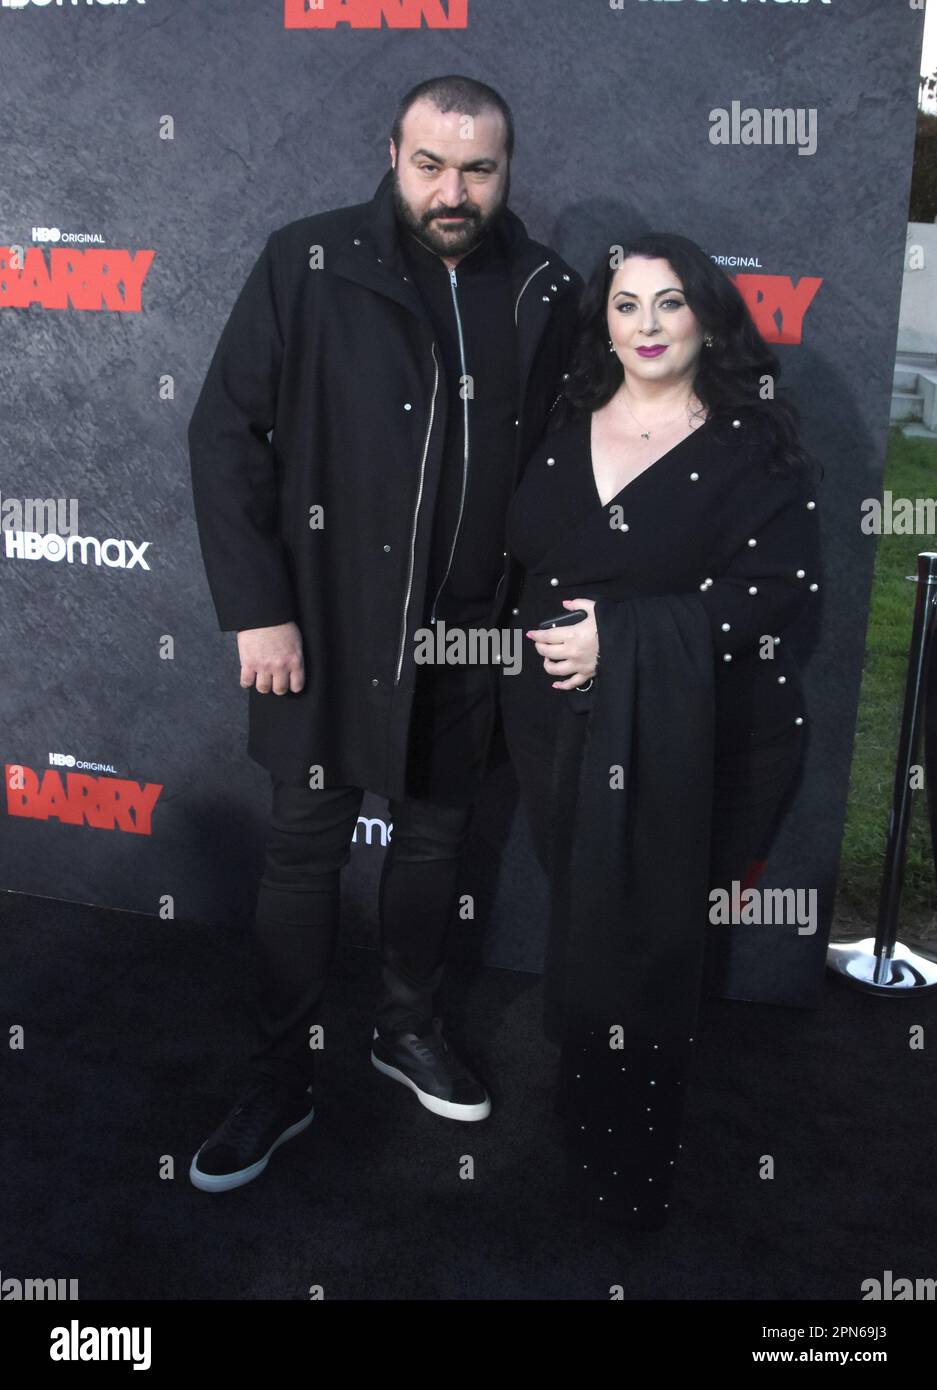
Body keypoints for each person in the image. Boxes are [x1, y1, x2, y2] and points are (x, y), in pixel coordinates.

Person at [185, 75, 582, 1192]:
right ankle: (277, 1074)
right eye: (431, 164)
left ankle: (407, 1028)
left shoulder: (545, 287)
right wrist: (256, 606)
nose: (454, 190)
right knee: (304, 850)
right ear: (392, 155)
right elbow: (225, 435)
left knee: (434, 847)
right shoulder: (307, 260)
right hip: (317, 625)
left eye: (479, 169)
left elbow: (565, 468)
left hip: (468, 637)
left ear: (508, 169)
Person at [498, 233, 822, 1229]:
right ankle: (580, 1114)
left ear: (706, 316)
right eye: (626, 303)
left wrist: (622, 643)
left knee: (651, 935)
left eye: (668, 303)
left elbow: (775, 594)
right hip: (554, 727)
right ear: (602, 318)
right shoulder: (563, 417)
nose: (645, 324)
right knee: (587, 914)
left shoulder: (751, 443)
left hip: (693, 737)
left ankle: (630, 1166)